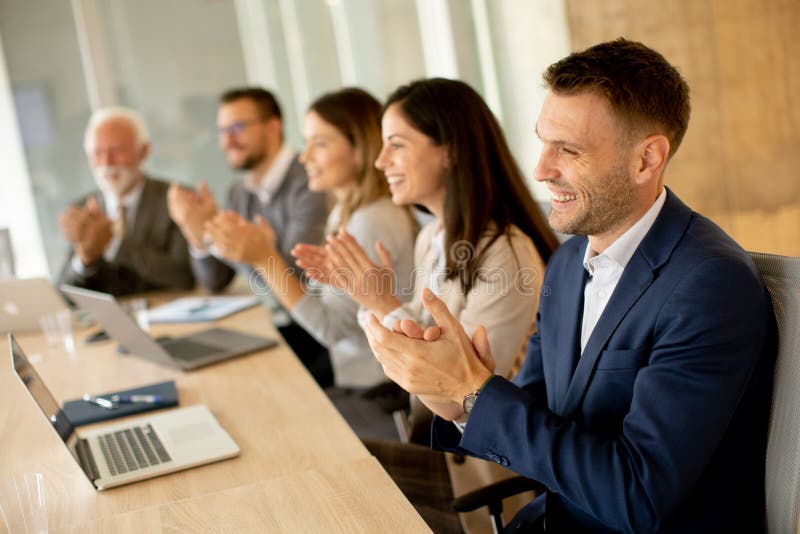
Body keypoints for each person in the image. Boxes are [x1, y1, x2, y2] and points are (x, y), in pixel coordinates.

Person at [364, 39, 778, 533]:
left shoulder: (709, 286)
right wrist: (458, 402)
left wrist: (475, 391)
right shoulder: (566, 265)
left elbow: (639, 496)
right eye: (543, 142)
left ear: (647, 159)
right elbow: (537, 419)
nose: (541, 170)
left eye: (569, 150)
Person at [292, 78, 559, 529]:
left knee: (330, 484)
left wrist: (380, 301)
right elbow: (407, 355)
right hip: (438, 444)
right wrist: (369, 298)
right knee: (318, 466)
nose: (381, 161)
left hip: (481, 466)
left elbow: (457, 386)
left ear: (449, 151)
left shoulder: (505, 253)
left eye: (396, 145)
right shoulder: (432, 238)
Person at [205, 88, 417, 438]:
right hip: (357, 382)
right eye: (306, 143)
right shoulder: (345, 212)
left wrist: (265, 259)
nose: (305, 157)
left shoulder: (371, 222)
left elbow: (330, 328)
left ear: (360, 147)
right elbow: (318, 302)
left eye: (319, 144)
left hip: (379, 395)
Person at [167, 87, 333, 386]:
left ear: (273, 127)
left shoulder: (310, 181)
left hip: (314, 334)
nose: (226, 141)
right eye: (222, 131)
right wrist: (198, 233)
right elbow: (215, 280)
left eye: (238, 128)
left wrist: (244, 248)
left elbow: (291, 280)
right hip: (275, 325)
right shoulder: (239, 191)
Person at [57, 107, 194, 295]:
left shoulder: (175, 199)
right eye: (97, 153)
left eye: (117, 151)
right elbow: (63, 293)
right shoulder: (82, 209)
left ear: (143, 152)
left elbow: (184, 277)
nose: (106, 162)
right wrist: (86, 258)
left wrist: (114, 243)